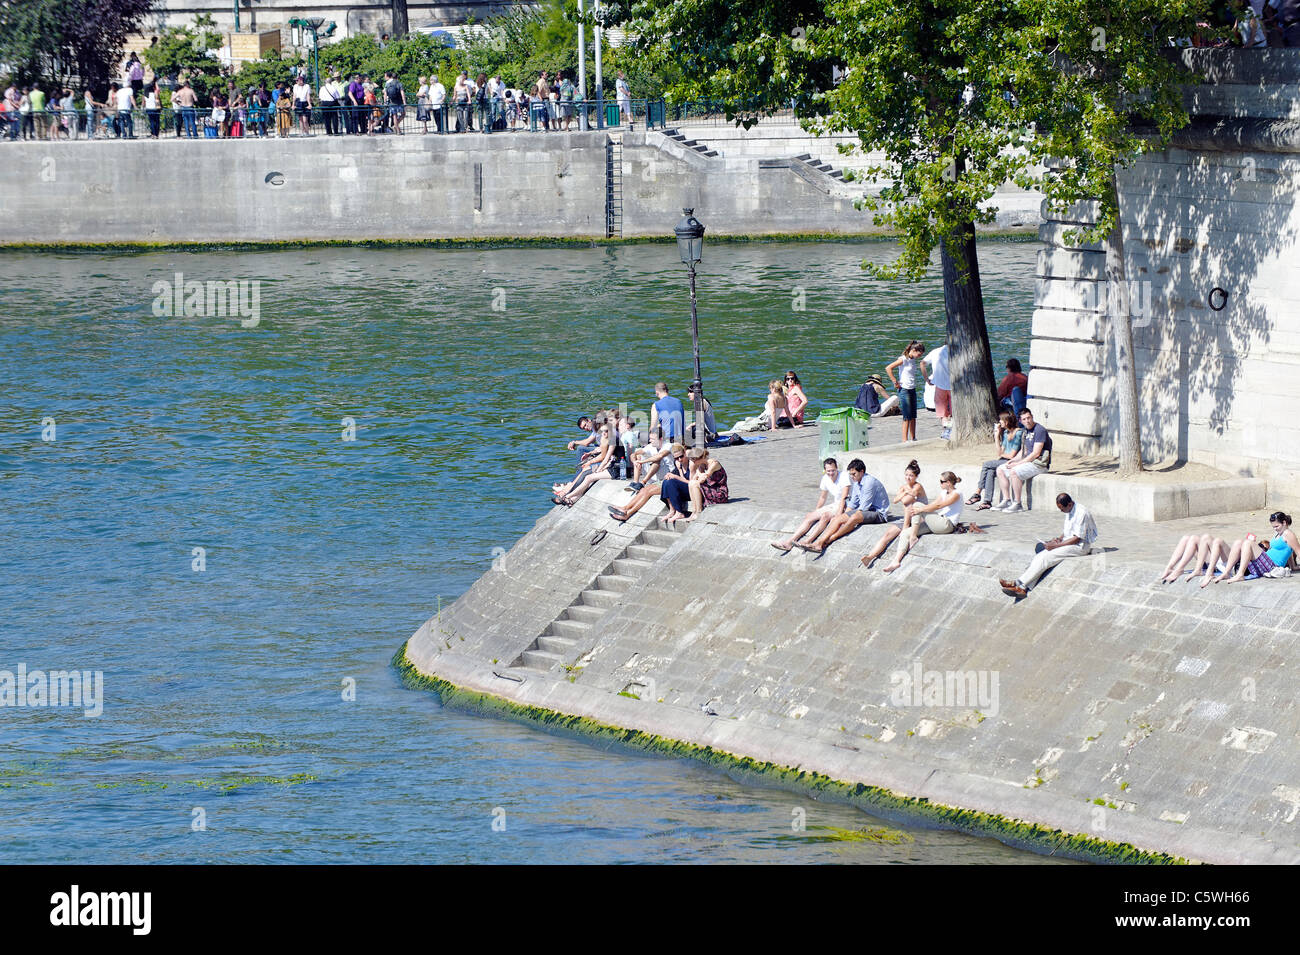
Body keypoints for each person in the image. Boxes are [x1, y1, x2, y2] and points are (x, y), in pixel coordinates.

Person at [999, 493, 1097, 598]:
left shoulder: (1081, 513)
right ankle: (1022, 588)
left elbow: (1077, 538)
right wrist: (1059, 539)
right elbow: (1069, 530)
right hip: (1069, 542)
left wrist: (1055, 546)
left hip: (1080, 546)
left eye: (1062, 509)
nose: (1061, 511)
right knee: (1040, 556)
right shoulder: (1069, 509)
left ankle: (1018, 583)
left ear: (1069, 504)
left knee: (1046, 557)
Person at [863, 471, 964, 572]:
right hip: (938, 522)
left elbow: (939, 506)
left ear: (949, 483)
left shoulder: (957, 494)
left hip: (947, 524)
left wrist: (920, 510)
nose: (940, 483)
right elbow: (933, 504)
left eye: (942, 481)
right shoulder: (943, 493)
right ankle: (896, 561)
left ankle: (913, 537)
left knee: (917, 505)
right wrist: (920, 511)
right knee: (905, 532)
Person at [798, 459, 890, 553]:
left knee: (854, 517)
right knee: (838, 519)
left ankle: (831, 539)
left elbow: (863, 508)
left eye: (854, 474)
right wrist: (843, 517)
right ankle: (819, 543)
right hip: (865, 511)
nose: (852, 477)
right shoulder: (856, 483)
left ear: (862, 471)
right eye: (850, 474)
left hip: (878, 514)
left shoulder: (869, 482)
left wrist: (847, 519)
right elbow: (852, 503)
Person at [771, 457, 851, 552]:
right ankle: (789, 542)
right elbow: (823, 497)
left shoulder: (844, 476)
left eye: (833, 470)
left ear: (837, 468)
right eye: (828, 471)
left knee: (825, 516)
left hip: (846, 504)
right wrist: (816, 511)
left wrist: (839, 514)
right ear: (825, 470)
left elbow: (844, 497)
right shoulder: (825, 478)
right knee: (810, 516)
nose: (831, 473)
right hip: (835, 504)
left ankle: (808, 541)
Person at [1211, 512, 1298, 584]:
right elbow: (1288, 551)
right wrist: (1293, 566)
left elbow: (1297, 551)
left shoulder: (1288, 534)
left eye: (1277, 526)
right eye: (1273, 527)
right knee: (1239, 542)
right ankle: (1226, 572)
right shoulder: (1279, 534)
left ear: (1284, 523)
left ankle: (1240, 574)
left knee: (1249, 543)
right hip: (1265, 563)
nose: (1275, 529)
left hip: (1273, 566)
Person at [611, 437, 680, 523]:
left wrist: (642, 462)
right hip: (663, 480)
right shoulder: (651, 446)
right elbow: (634, 454)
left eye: (652, 439)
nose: (650, 440)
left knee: (648, 491)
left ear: (660, 439)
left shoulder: (668, 446)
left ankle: (628, 514)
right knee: (643, 490)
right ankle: (625, 508)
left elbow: (659, 456)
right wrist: (635, 461)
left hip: (670, 479)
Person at [995, 408, 1051, 513]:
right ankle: (1006, 500)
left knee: (1014, 472)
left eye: (1028, 418)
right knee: (1000, 469)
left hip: (1039, 464)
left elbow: (1036, 453)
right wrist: (1012, 461)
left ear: (1032, 417)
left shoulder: (1039, 430)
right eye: (1024, 419)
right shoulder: (1025, 431)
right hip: (1028, 462)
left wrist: (1018, 464)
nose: (1027, 421)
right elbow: (1023, 451)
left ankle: (1017, 503)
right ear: (1020, 421)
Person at [970, 410, 1024, 510]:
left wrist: (1003, 454)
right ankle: (987, 501)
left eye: (1001, 420)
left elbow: (1012, 455)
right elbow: (999, 453)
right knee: (990, 471)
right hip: (1003, 459)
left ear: (1006, 421)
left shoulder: (1018, 433)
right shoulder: (1005, 433)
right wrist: (996, 436)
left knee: (986, 464)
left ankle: (978, 492)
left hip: (1012, 461)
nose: (1000, 422)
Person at [886, 340, 928, 442]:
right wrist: (895, 381)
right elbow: (888, 368)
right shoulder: (903, 359)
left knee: (913, 416)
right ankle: (904, 440)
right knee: (907, 416)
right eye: (919, 354)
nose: (919, 356)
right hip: (904, 389)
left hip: (912, 389)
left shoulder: (912, 359)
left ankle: (913, 438)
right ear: (913, 350)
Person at [684, 447, 728, 522]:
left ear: (697, 459)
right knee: (691, 483)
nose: (693, 463)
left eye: (693, 460)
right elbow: (694, 478)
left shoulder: (714, 463)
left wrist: (699, 474)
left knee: (695, 484)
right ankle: (694, 511)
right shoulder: (702, 465)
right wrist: (697, 472)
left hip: (719, 493)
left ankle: (699, 512)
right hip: (711, 490)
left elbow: (703, 479)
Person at [930, 344, 952, 439]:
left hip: (940, 386)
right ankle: (951, 431)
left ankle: (945, 432)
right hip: (952, 386)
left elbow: (922, 363)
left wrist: (927, 379)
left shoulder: (936, 351)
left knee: (943, 413)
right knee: (953, 411)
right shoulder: (956, 351)